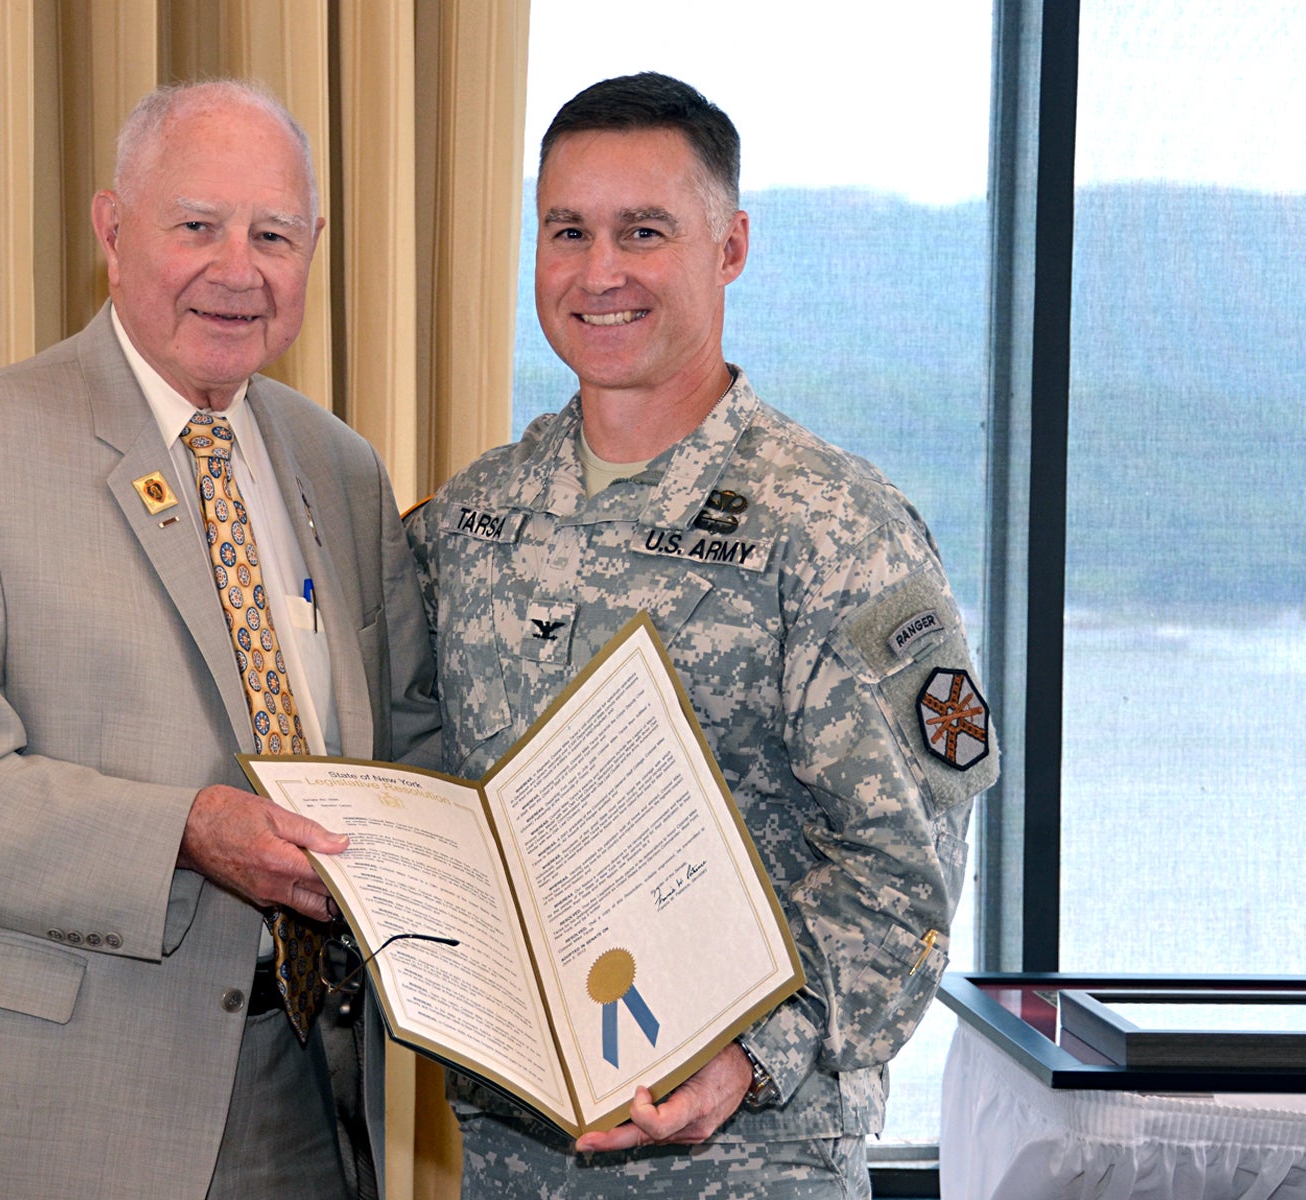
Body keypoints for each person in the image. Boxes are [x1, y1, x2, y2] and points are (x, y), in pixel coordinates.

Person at [0, 80, 439, 1200]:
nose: (236, 269)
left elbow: (410, 745)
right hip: (43, 1118)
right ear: (113, 232)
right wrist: (186, 832)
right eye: (196, 226)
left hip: (303, 1094)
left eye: (273, 235)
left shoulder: (343, 471)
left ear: (315, 252)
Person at [405, 72, 998, 1198]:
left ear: (729, 248)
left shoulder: (832, 531)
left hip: (749, 1162)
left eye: (645, 231)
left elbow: (908, 867)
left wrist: (751, 1054)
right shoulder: (474, 518)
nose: (600, 272)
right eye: (567, 230)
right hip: (513, 1159)